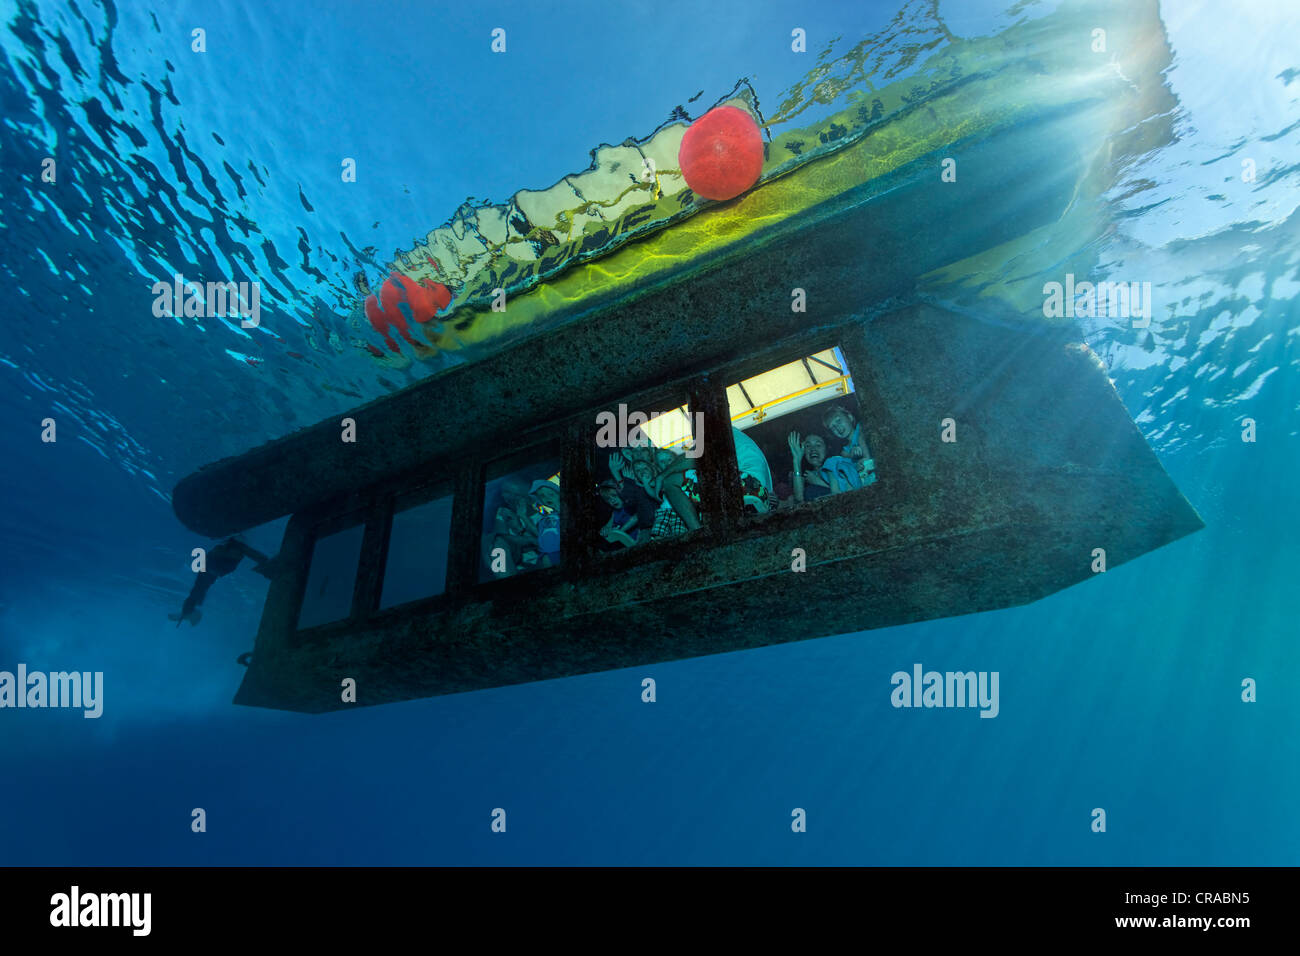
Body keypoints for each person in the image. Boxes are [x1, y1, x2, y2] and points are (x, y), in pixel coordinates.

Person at [169, 536, 276, 626]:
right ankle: (187, 612)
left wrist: (263, 561)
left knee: (200, 588)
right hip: (214, 566)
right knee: (200, 588)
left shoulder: (230, 553)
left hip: (213, 566)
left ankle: (187, 612)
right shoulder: (229, 554)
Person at [822, 404, 876, 487]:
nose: (838, 428)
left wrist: (861, 459)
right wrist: (856, 465)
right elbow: (853, 467)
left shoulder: (860, 429)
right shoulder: (844, 451)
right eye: (833, 427)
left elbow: (867, 458)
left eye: (839, 421)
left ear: (850, 417)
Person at [596, 479, 656, 548]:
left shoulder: (629, 505)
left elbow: (636, 517)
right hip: (623, 544)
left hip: (637, 540)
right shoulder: (614, 513)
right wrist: (605, 529)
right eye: (608, 499)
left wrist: (621, 531)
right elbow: (608, 525)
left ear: (620, 493)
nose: (612, 500)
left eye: (614, 496)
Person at [787, 432, 843, 503]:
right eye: (808, 446)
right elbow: (799, 499)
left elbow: (842, 494)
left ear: (827, 449)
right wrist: (797, 460)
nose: (813, 449)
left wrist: (818, 481)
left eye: (818, 445)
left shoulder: (836, 465)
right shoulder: (806, 476)